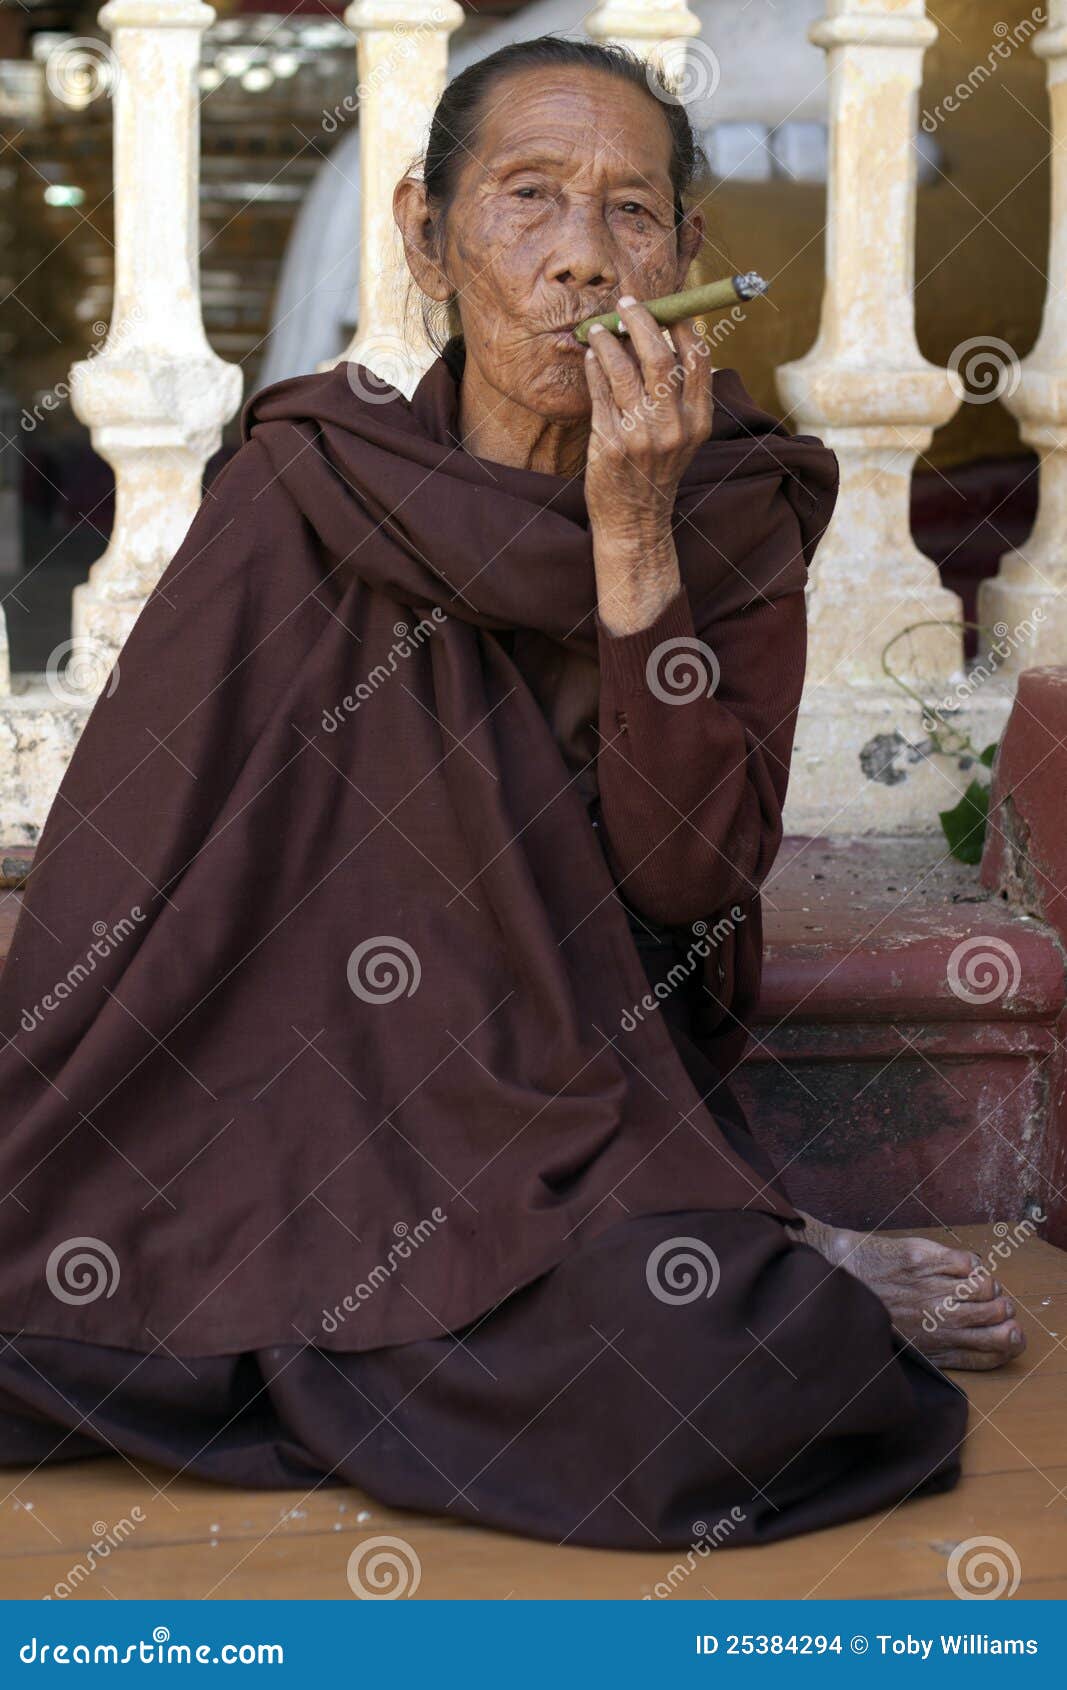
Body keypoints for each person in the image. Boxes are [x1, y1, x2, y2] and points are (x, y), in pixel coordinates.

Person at [0, 38, 1023, 1551]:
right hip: (291, 1103)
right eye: (528, 199)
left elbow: (691, 882)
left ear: (684, 253)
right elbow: (142, 863)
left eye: (628, 214)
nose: (579, 263)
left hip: (580, 1132)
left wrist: (631, 542)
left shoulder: (735, 502)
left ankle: (726, 1264)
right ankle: (520, 1291)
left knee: (723, 1385)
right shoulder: (308, 481)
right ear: (426, 233)